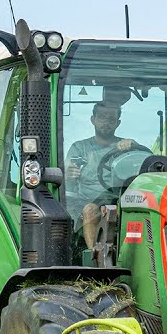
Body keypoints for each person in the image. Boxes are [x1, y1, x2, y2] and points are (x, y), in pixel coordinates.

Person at [66, 101, 137, 246]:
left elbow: (141, 169)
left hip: (120, 200)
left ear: (118, 123)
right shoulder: (79, 148)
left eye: (111, 119)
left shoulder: (126, 147)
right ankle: (94, 259)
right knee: (90, 211)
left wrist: (133, 146)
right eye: (102, 117)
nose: (107, 122)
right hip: (86, 202)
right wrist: (68, 174)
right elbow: (66, 178)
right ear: (93, 120)